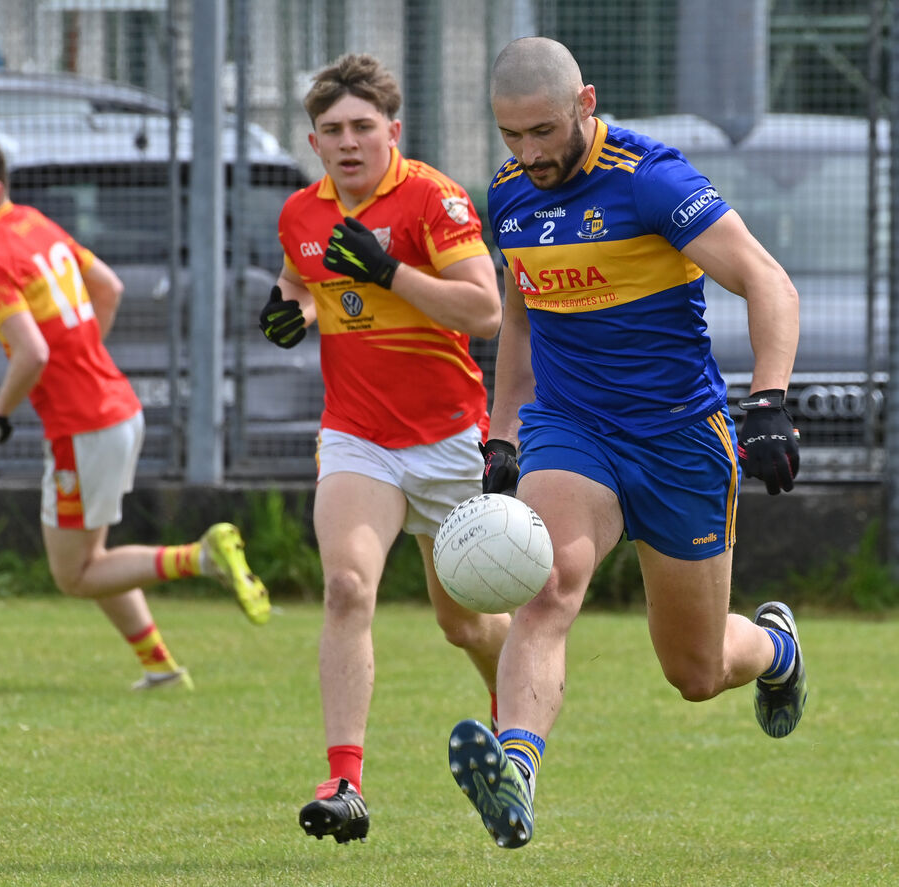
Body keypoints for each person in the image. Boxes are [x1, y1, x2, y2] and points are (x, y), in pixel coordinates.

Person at [445, 36, 808, 849]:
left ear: (586, 102)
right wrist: (503, 432)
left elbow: (765, 280)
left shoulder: (651, 181)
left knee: (697, 670)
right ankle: (515, 773)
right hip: (572, 430)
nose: (529, 154)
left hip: (679, 438)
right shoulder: (509, 198)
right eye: (511, 136)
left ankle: (777, 647)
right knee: (547, 587)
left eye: (543, 131)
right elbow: (522, 312)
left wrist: (771, 403)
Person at [260, 53, 511, 844]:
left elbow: (485, 310)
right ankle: (344, 781)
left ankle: (517, 738)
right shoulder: (303, 212)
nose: (348, 141)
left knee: (466, 624)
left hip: (447, 444)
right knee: (344, 587)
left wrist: (390, 269)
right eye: (331, 131)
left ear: (392, 131)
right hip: (357, 437)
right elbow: (301, 279)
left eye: (363, 126)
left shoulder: (434, 199)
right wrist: (288, 310)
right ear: (313, 140)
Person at [0, 134, 271, 692]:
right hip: (114, 407)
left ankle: (200, 558)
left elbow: (33, 352)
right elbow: (107, 288)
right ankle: (160, 668)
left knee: (75, 573)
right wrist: (83, 356)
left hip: (82, 425)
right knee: (94, 559)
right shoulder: (33, 223)